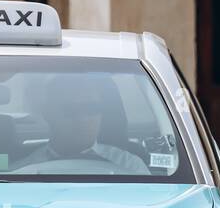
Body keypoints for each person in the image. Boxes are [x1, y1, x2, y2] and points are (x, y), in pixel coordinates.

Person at [15, 75, 150, 174]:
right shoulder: (22, 172)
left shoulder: (131, 167)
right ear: (48, 114)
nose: (83, 118)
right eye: (71, 110)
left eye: (92, 108)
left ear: (102, 113)